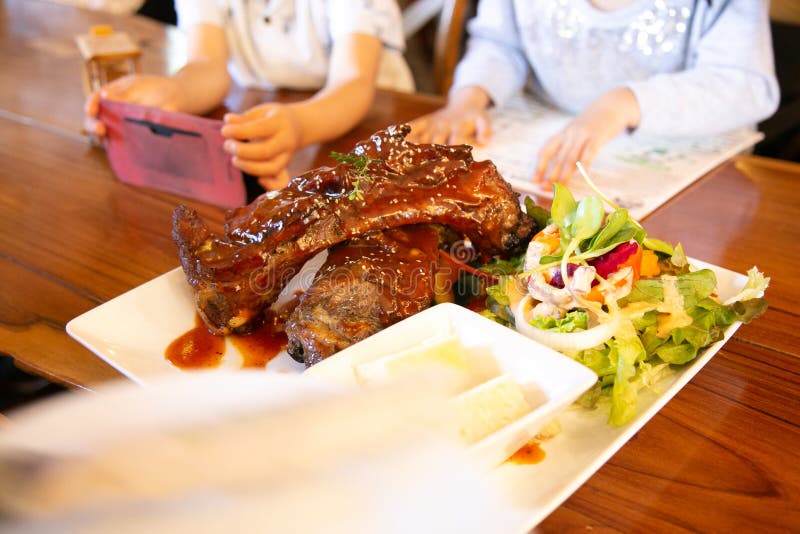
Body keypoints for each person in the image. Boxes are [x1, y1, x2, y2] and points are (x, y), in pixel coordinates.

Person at [409, 0, 780, 189]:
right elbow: (500, 44)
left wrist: (624, 103)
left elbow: (746, 85)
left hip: (692, 169)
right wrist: (470, 99)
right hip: (546, 141)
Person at [85, 0, 414, 190]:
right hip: (263, 112)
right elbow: (208, 66)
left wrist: (299, 124)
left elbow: (353, 82)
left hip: (371, 126)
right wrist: (174, 92)